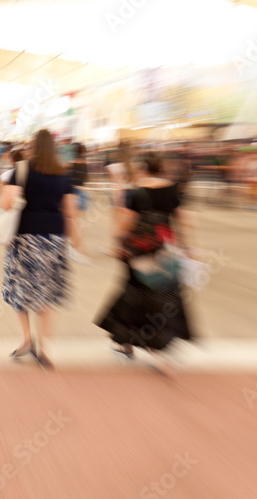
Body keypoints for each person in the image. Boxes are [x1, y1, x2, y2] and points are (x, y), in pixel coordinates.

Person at [95, 151, 196, 376]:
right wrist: (187, 248)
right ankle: (142, 343)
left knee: (133, 294)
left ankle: (132, 343)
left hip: (137, 250)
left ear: (141, 168)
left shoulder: (134, 192)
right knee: (162, 294)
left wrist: (117, 244)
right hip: (164, 251)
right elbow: (185, 221)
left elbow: (124, 225)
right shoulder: (173, 189)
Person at [0, 130, 79, 370]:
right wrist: (76, 238)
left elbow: (5, 203)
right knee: (46, 295)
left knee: (18, 289)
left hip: (25, 238)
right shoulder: (63, 174)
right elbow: (70, 211)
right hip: (54, 240)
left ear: (32, 147)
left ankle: (26, 340)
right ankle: (45, 350)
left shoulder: (20, 171)